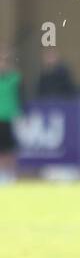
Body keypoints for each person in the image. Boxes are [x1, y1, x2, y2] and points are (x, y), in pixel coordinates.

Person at [0, 49, 20, 184]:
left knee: (10, 148)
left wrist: (6, 54)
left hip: (9, 117)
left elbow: (17, 75)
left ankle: (11, 174)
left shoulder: (13, 78)